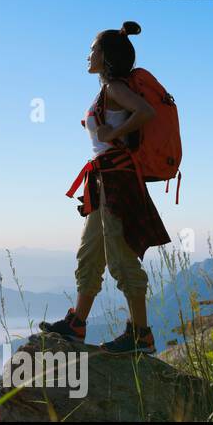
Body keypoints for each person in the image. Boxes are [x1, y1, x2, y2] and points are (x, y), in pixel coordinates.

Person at [40, 21, 171, 354]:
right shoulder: (107, 92)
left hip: (117, 182)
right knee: (89, 255)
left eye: (92, 49)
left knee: (121, 259)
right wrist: (100, 127)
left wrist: (111, 134)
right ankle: (76, 324)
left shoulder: (114, 87)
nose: (88, 54)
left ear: (106, 55)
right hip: (103, 182)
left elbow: (146, 111)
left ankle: (140, 334)